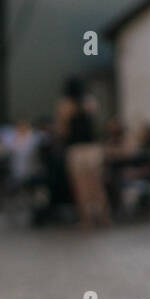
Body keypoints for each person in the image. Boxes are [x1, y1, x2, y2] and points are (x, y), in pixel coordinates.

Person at [56, 78, 109, 227]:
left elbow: (63, 130)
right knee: (97, 185)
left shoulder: (65, 106)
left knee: (81, 187)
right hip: (93, 147)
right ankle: (104, 217)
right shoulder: (90, 102)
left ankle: (87, 220)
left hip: (76, 149)